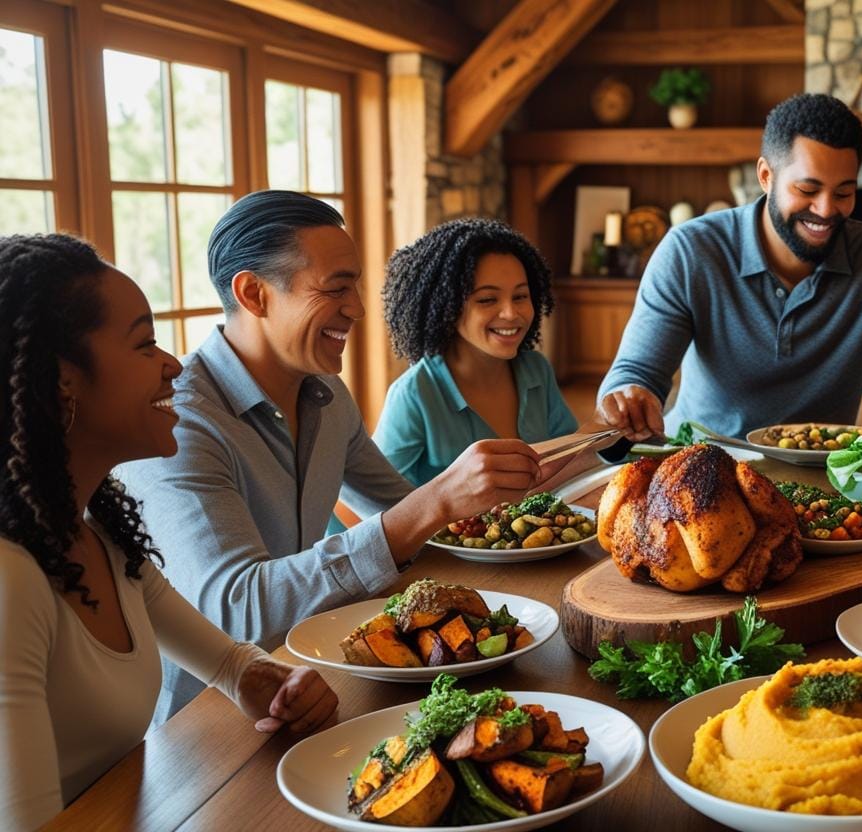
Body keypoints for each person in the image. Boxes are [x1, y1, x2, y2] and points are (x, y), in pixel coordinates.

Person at [115, 192, 567, 719]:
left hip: (314, 670)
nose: (356, 307)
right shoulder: (182, 421)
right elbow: (236, 611)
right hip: (207, 720)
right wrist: (434, 502)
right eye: (336, 288)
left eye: (354, 283)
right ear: (254, 294)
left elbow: (403, 508)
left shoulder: (326, 396)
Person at [0, 234, 338, 828]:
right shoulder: (11, 580)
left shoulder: (98, 530)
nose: (173, 365)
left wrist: (274, 682)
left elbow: (234, 667)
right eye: (144, 343)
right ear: (63, 379)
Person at [596, 93, 862, 444]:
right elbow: (636, 374)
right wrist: (628, 399)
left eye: (844, 192)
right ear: (766, 176)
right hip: (699, 469)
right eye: (808, 189)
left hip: (822, 483)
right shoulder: (691, 252)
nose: (826, 210)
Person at [375, 219, 578, 486]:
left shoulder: (536, 370)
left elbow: (571, 455)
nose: (510, 313)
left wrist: (605, 426)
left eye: (520, 296)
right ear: (446, 307)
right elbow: (377, 504)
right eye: (487, 299)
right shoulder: (415, 394)